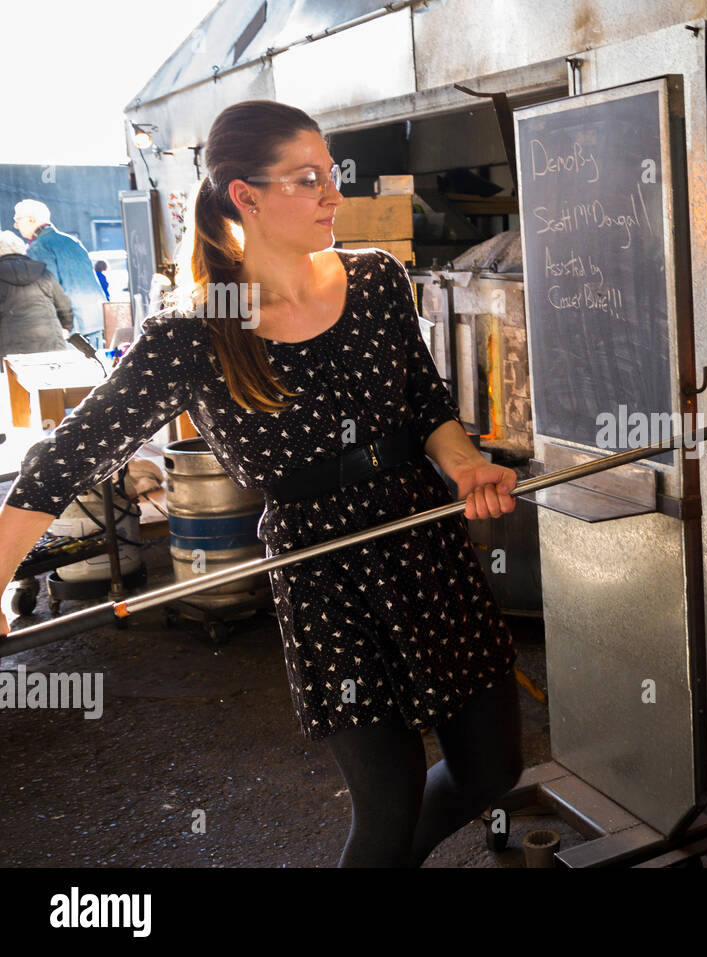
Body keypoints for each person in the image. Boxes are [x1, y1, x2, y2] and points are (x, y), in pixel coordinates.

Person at [0, 99, 523, 867]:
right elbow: (61, 458)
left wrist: (465, 463)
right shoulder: (195, 327)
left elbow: (426, 405)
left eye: (329, 175)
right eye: (307, 180)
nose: (332, 193)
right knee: (388, 799)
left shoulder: (377, 280)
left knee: (492, 768)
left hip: (420, 535)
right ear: (244, 194)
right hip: (321, 569)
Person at [12, 199, 108, 351]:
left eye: (17, 220)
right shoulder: (71, 241)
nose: (15, 225)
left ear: (31, 219)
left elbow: (46, 288)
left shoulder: (38, 247)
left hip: (70, 324)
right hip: (96, 318)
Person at [0, 229, 74, 355]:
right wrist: (66, 327)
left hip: (9, 347)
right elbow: (64, 305)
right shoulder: (43, 272)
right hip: (50, 342)